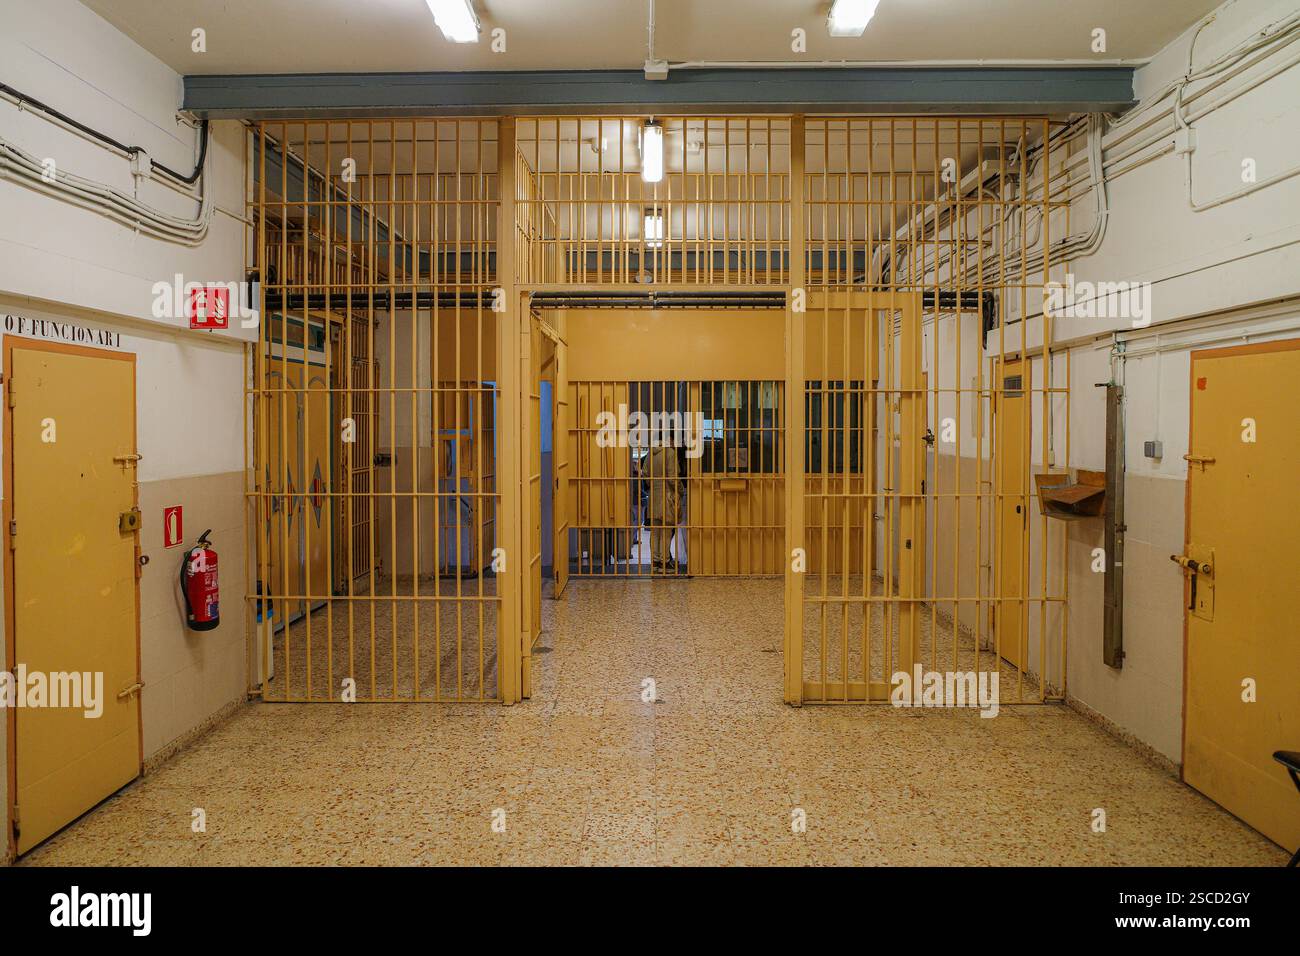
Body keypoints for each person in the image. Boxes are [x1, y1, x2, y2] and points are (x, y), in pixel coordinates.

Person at [646, 442, 680, 572]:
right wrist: (680, 490)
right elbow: (672, 478)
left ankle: (654, 562)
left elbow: (645, 474)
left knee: (655, 531)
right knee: (666, 530)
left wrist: (653, 486)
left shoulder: (650, 453)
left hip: (653, 494)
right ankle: (664, 562)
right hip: (667, 494)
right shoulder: (670, 453)